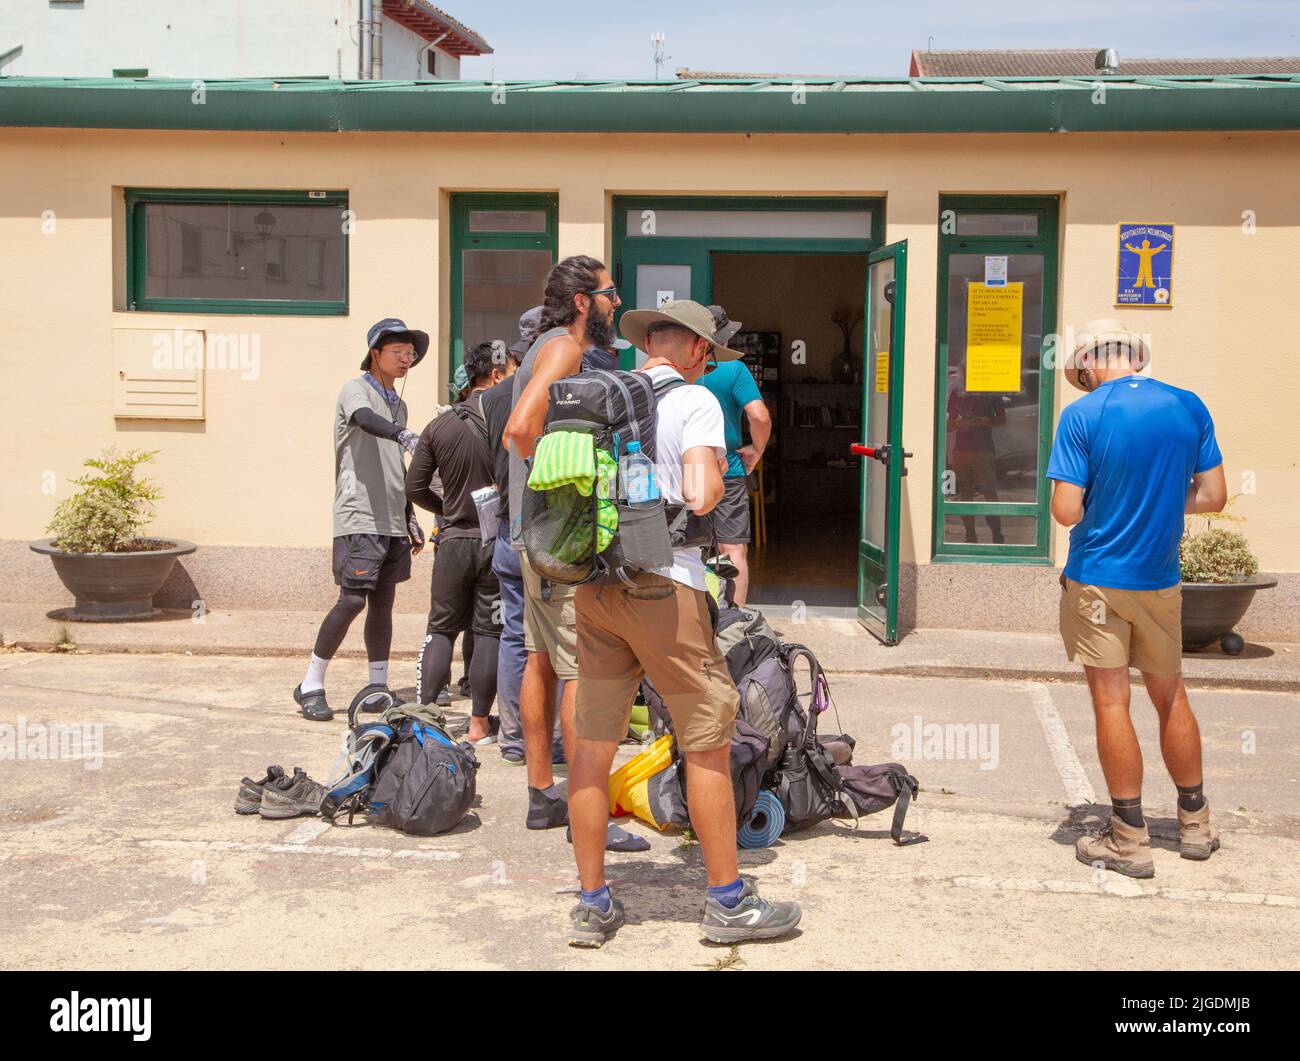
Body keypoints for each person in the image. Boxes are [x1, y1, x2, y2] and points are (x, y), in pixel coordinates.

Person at [565, 299, 802, 947]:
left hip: (592, 585)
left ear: (649, 344)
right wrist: (700, 477)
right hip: (664, 586)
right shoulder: (694, 401)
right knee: (706, 740)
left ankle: (592, 901)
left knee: (591, 748)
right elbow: (701, 495)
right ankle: (727, 902)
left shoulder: (604, 399)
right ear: (698, 349)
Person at [1048, 318, 1226, 879]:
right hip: (1161, 578)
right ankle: (1194, 822)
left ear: (1090, 362)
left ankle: (1129, 836)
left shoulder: (1083, 414)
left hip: (1100, 576)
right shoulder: (1188, 405)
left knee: (1111, 702)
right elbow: (1215, 495)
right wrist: (1166, 505)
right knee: (1170, 695)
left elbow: (1066, 510)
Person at [504, 257, 648, 853]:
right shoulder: (564, 348)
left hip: (528, 537)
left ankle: (544, 794)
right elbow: (518, 428)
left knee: (538, 659)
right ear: (585, 301)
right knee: (581, 674)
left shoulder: (539, 345)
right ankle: (588, 816)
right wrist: (567, 484)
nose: (618, 303)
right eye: (611, 294)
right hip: (557, 538)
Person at [294, 319, 428, 723]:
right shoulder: (356, 390)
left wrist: (410, 514)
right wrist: (403, 434)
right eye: (398, 352)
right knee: (352, 598)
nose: (407, 359)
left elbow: (393, 467)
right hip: (358, 515)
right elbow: (366, 421)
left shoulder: (398, 405)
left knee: (383, 604)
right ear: (376, 354)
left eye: (410, 353)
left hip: (391, 517)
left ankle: (377, 687)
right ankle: (310, 684)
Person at [406, 341, 512, 744]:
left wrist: (447, 509)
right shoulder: (510, 418)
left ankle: (423, 719)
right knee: (489, 631)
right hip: (495, 540)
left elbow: (413, 486)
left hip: (453, 540)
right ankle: (479, 724)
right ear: (497, 374)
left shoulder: (440, 425)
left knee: (441, 627)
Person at [699, 305, 770, 605]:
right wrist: (757, 450)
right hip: (727, 470)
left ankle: (695, 619)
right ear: (724, 339)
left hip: (687, 472)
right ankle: (735, 622)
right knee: (733, 550)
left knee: (687, 550)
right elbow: (760, 417)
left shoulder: (681, 368)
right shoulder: (735, 369)